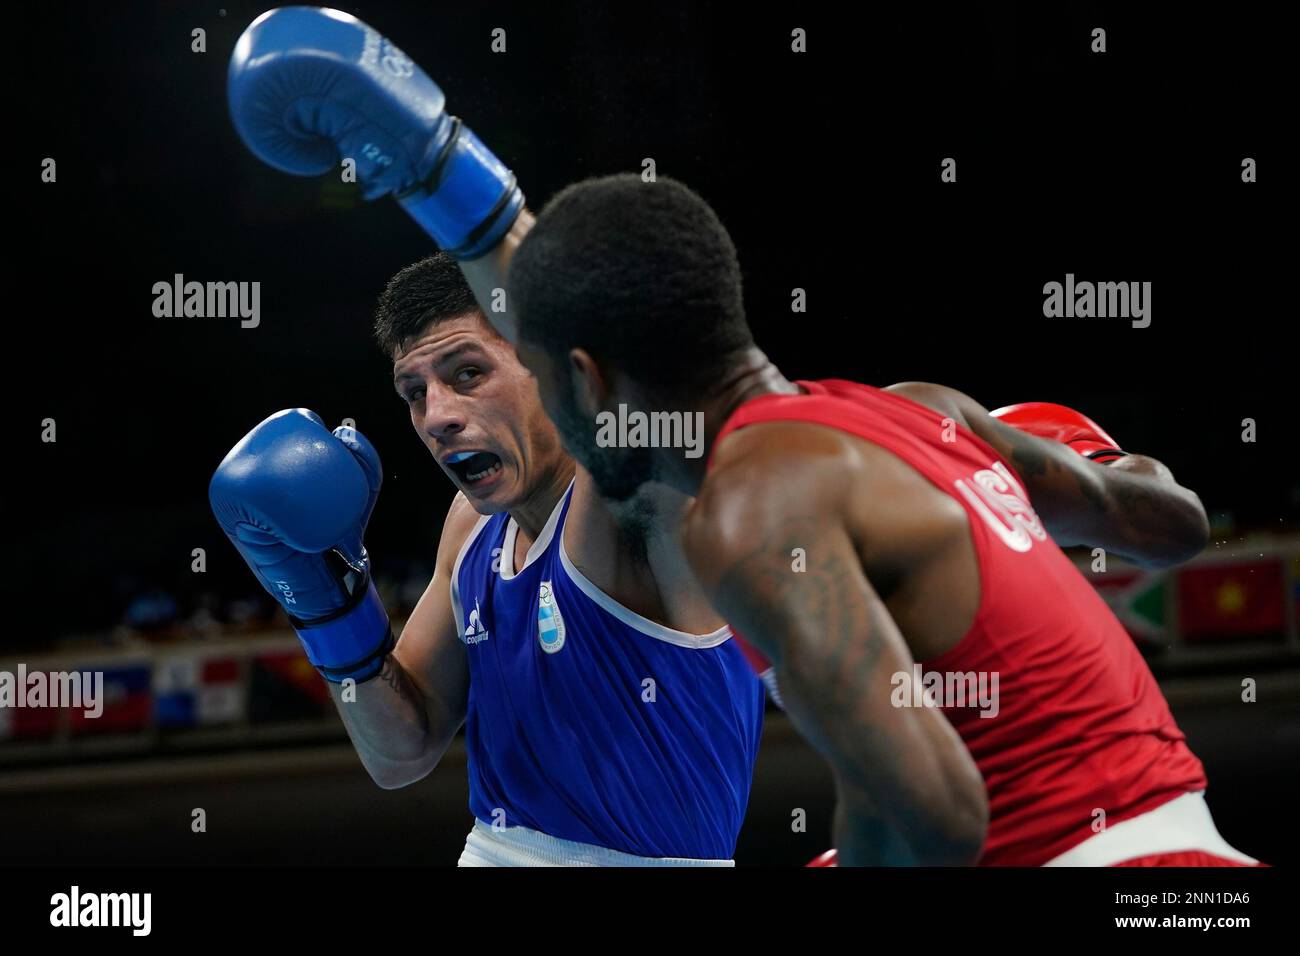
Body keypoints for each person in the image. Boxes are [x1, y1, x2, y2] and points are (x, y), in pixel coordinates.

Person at [505, 172, 1259, 867]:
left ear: (585, 378)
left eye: (538, 379)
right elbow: (1175, 525)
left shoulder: (749, 510)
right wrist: (1072, 463)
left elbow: (934, 812)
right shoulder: (923, 413)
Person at [215, 9, 765, 866]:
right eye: (413, 392)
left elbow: (609, 348)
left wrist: (433, 164)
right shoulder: (471, 531)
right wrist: (327, 607)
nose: (435, 415)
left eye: (467, 372)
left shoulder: (631, 498)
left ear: (545, 363)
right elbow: (400, 753)